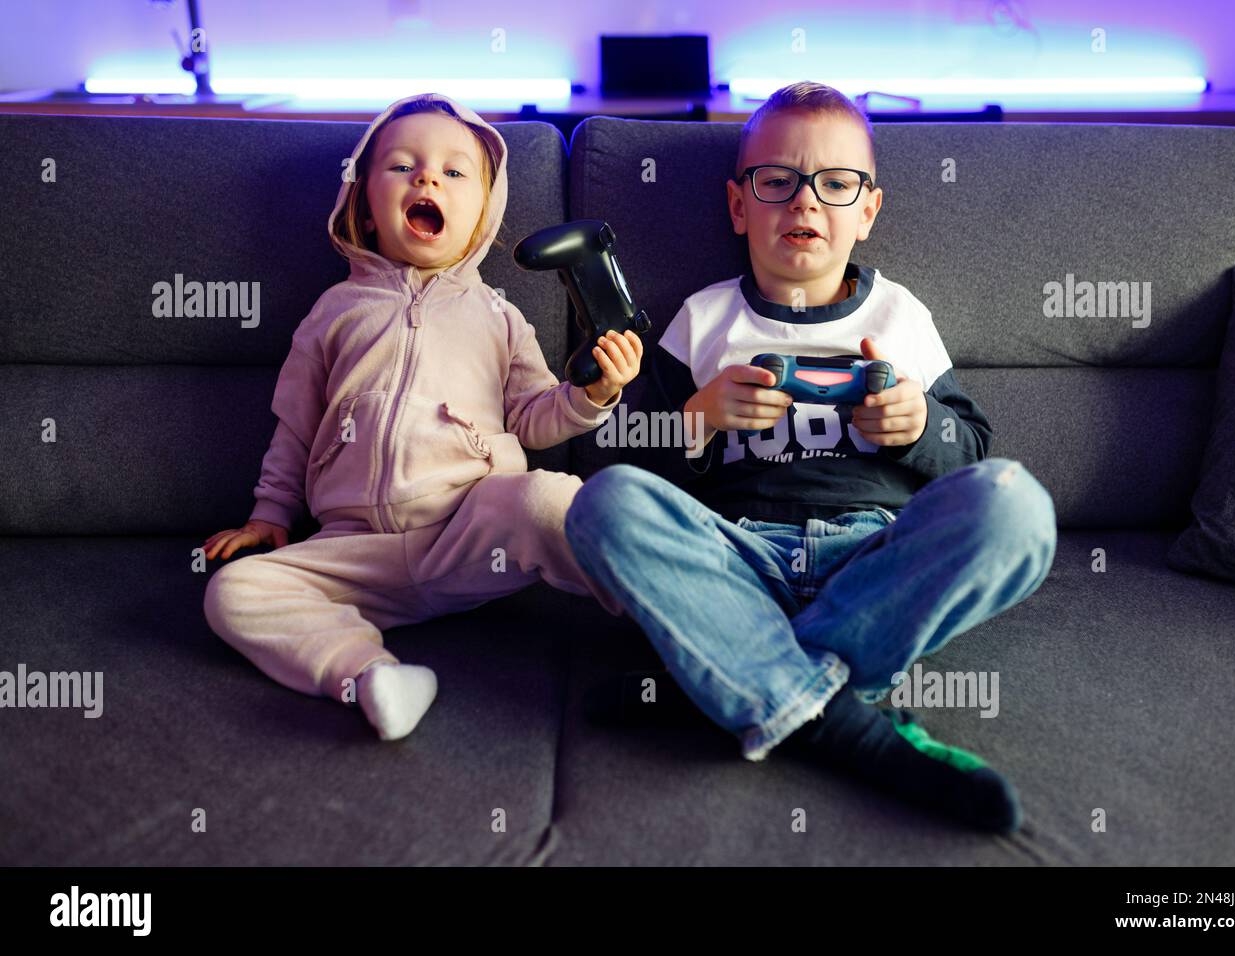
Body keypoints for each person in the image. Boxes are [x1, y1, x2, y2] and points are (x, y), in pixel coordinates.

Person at [564, 82, 1055, 834]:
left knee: (1017, 505)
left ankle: (732, 684)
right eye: (777, 182)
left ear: (867, 211)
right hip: (738, 559)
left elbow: (971, 459)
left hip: (872, 560)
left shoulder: (902, 318)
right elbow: (620, 455)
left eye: (835, 184)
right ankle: (846, 725)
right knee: (602, 505)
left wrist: (917, 424)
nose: (806, 202)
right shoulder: (703, 319)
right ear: (739, 206)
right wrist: (696, 419)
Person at [202, 92, 641, 741]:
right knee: (232, 593)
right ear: (366, 207)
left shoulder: (499, 317)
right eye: (401, 166)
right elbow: (295, 427)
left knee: (546, 500)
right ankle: (373, 674)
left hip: (469, 534)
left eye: (453, 172)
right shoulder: (333, 312)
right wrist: (270, 514)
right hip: (353, 552)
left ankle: (668, 607)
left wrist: (594, 394)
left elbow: (535, 418)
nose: (426, 177)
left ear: (483, 216)